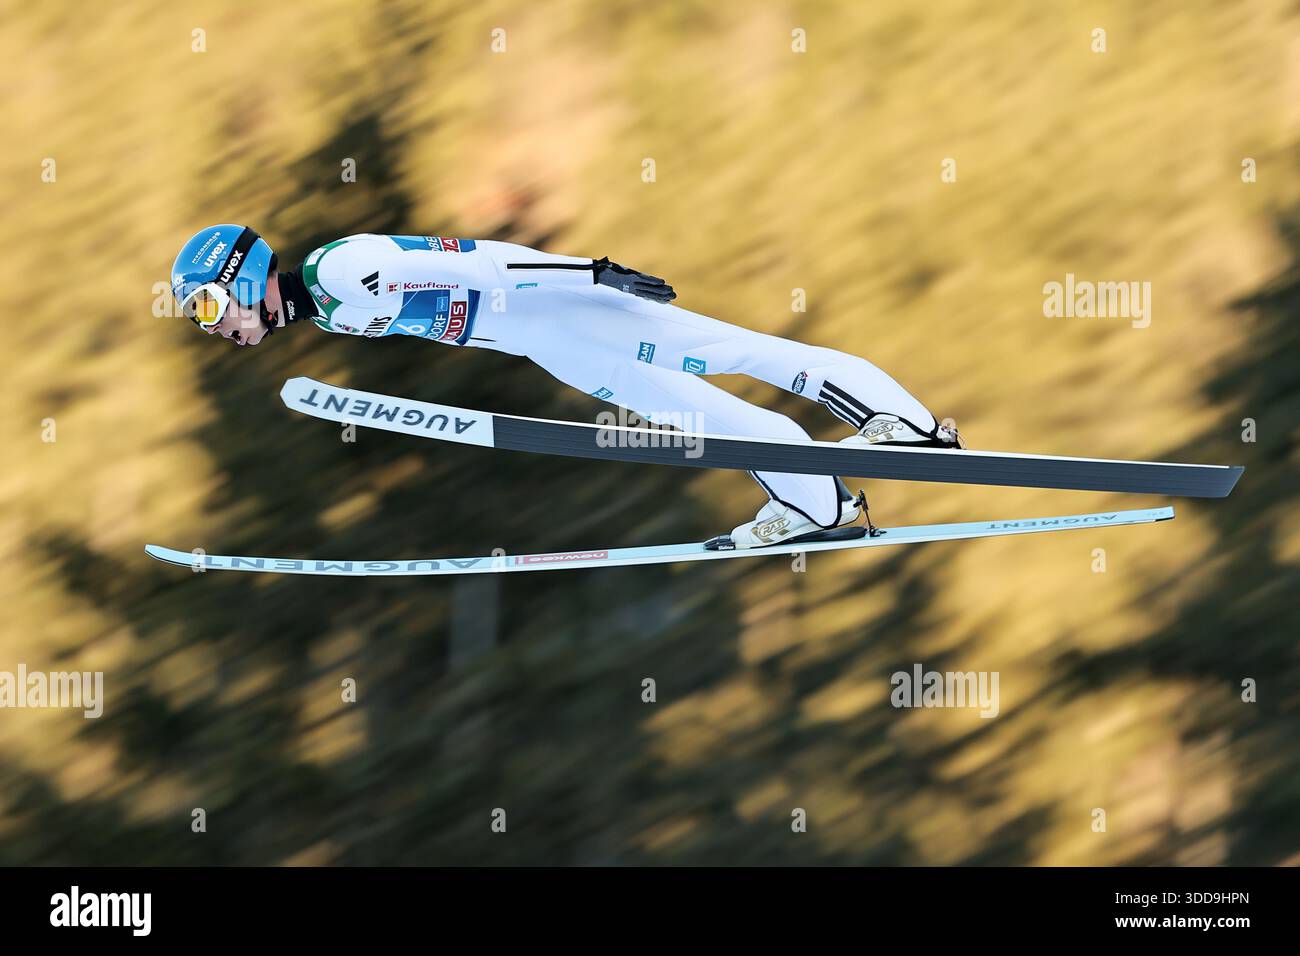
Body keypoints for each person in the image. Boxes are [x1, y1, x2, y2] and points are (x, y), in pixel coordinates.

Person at [170, 225, 962, 549]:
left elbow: (475, 263)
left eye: (207, 305)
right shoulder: (328, 310)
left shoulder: (339, 271)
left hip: (554, 306)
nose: (212, 326)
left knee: (725, 352)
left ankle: (906, 421)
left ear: (243, 277)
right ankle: (815, 503)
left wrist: (588, 272)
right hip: (543, 340)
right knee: (685, 408)